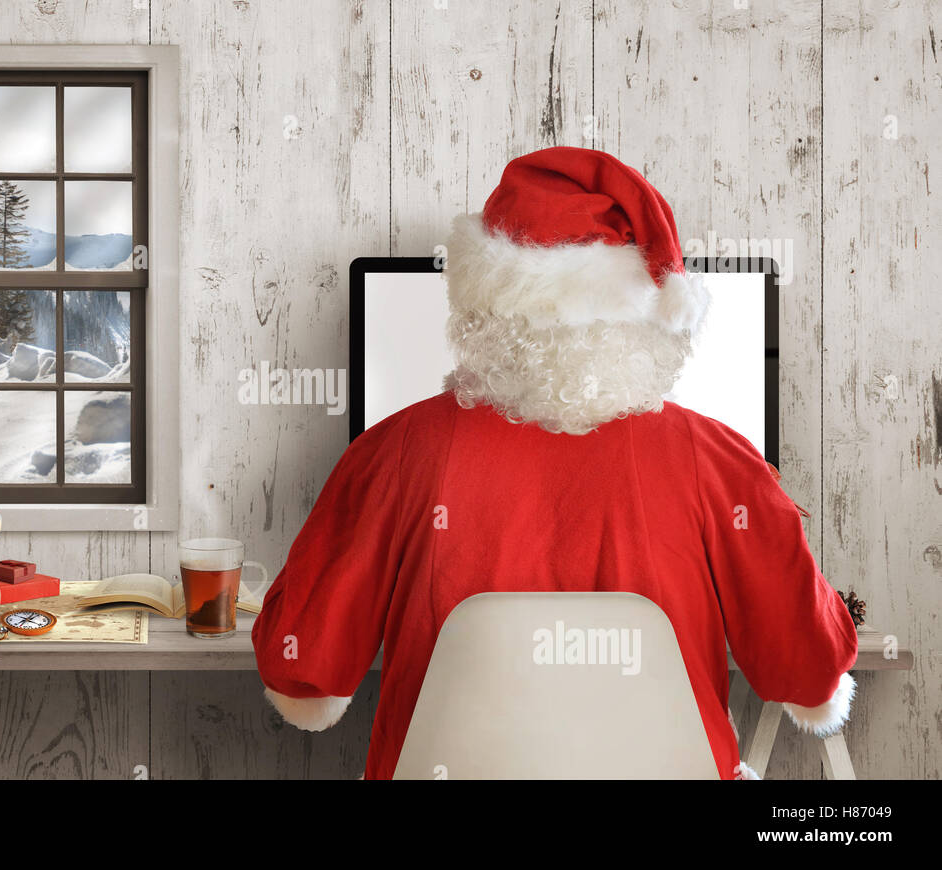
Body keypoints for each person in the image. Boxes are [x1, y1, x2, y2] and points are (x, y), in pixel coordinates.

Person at [250, 146, 857, 780]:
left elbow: (302, 678)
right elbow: (811, 672)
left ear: (482, 306)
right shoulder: (720, 461)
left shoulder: (395, 452)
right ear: (643, 312)